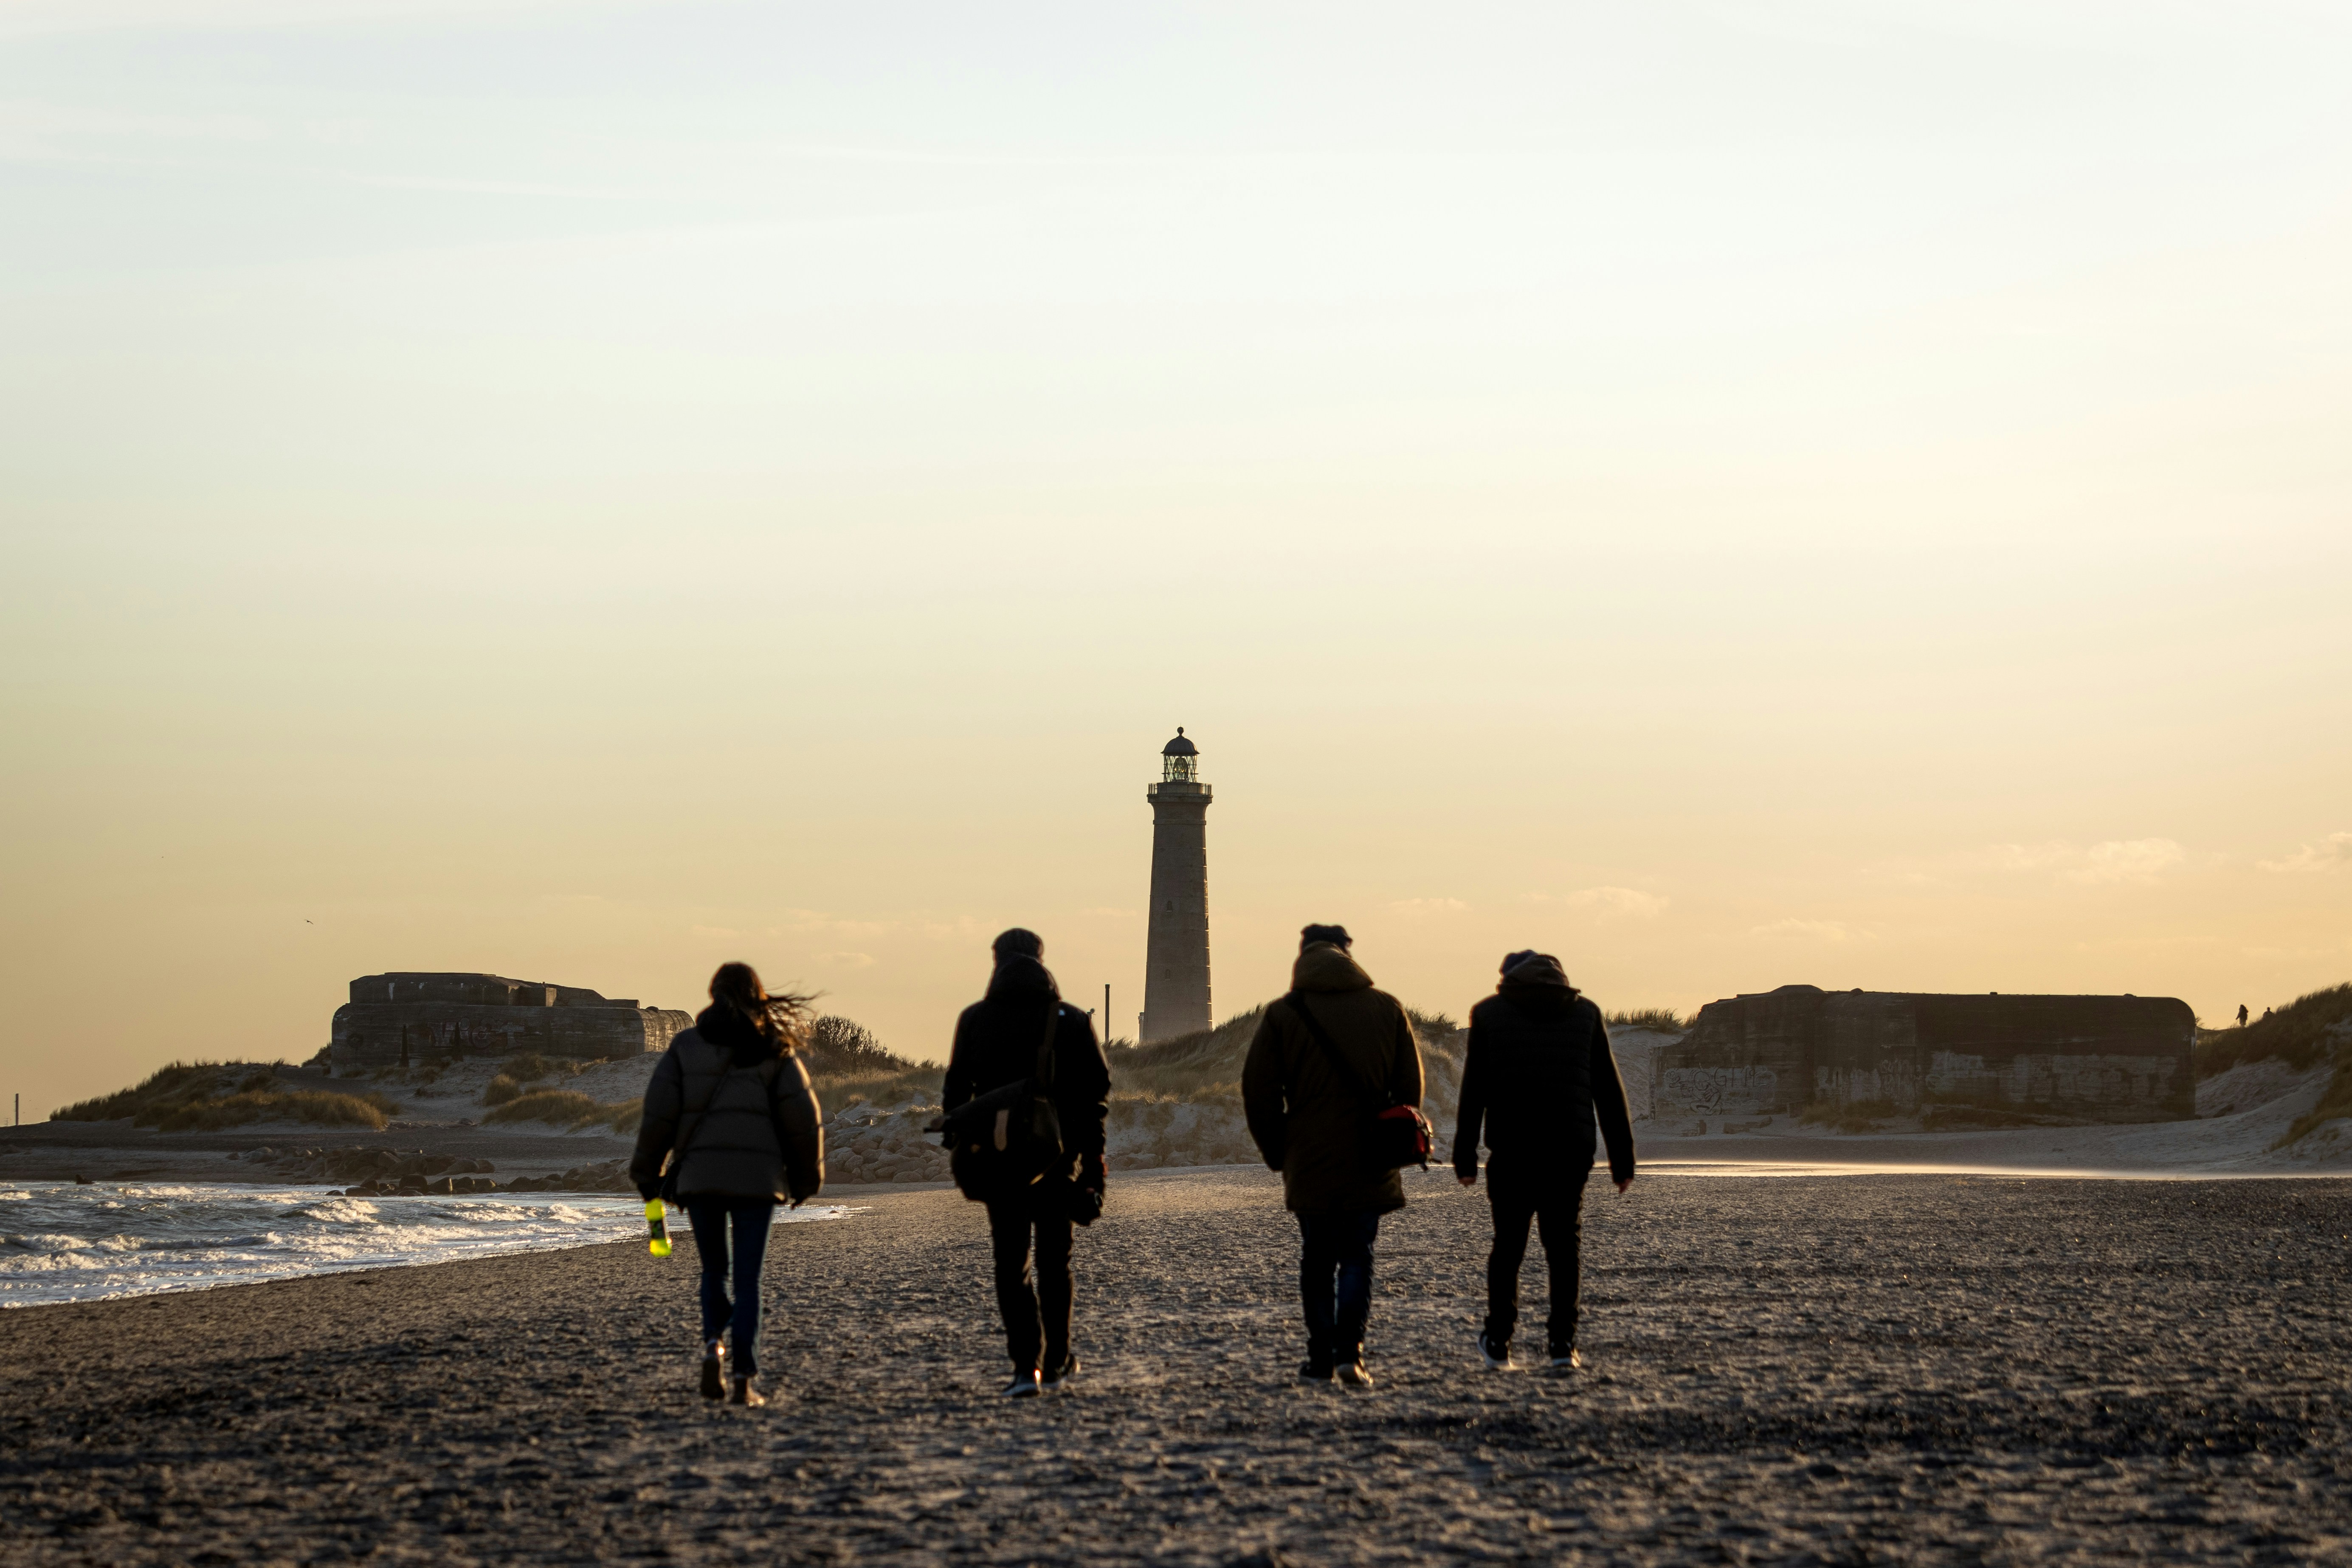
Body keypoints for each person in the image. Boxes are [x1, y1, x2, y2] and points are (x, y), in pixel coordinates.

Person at [630, 962, 824, 1407]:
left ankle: (712, 1347)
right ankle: (743, 1381)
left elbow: (659, 1115)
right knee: (749, 1280)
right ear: (757, 997)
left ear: (713, 994)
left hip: (700, 1179)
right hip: (758, 1182)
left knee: (714, 1271)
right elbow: (802, 1120)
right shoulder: (773, 1048)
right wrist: (807, 1179)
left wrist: (646, 1174)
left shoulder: (685, 1047)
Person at [1242, 923, 1425, 1388]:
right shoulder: (1387, 1008)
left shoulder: (1284, 1014)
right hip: (1371, 1154)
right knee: (1358, 1255)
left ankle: (1321, 1356)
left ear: (1302, 956)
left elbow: (1258, 1093)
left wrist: (1278, 1151)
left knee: (1317, 1258)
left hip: (1309, 1156)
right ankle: (1351, 1354)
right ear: (1348, 954)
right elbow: (1409, 1092)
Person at [943, 928, 1112, 1398]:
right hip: (1057, 1160)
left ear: (996, 962)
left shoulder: (975, 1019)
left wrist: (962, 1147)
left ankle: (1025, 1369)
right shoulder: (1070, 1020)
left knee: (1010, 1262)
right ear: (1040, 960)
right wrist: (1091, 1166)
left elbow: (956, 1095)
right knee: (1056, 1261)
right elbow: (1095, 1099)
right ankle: (1057, 1360)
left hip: (999, 1161)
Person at [1453, 950, 1634, 1373]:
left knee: (1508, 1247)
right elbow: (1608, 1091)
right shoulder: (1585, 1013)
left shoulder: (1488, 1013)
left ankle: (1498, 1342)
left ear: (1508, 978)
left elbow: (1473, 1089)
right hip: (1568, 1150)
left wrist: (1465, 1158)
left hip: (1512, 1150)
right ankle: (1561, 1345)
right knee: (1563, 1247)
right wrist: (1622, 1162)